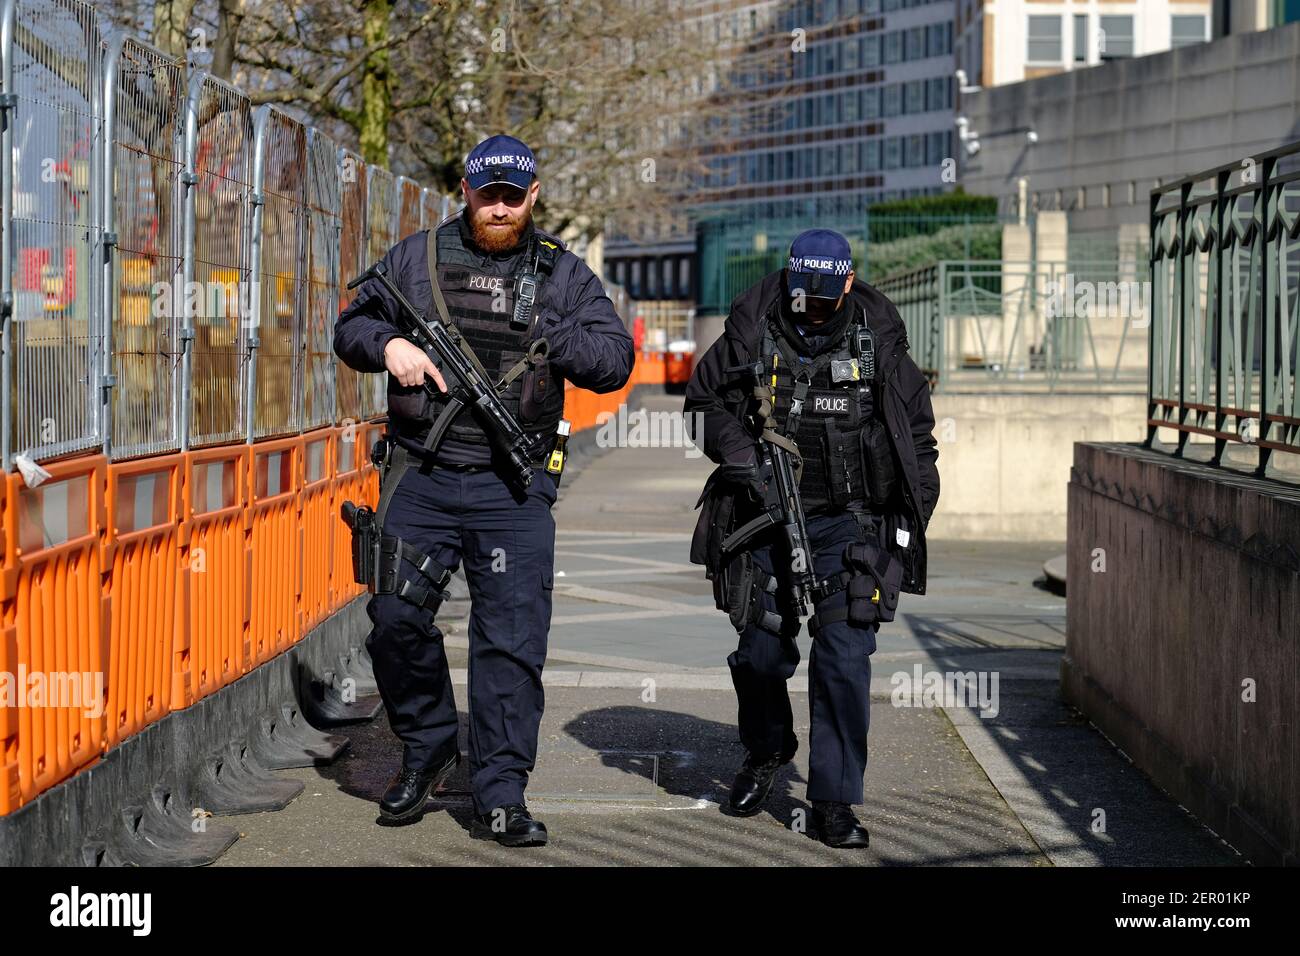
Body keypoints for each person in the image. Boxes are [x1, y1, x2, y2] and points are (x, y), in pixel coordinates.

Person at [334, 134, 634, 845]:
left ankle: (500, 793)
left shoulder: (562, 275)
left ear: (533, 195)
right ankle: (430, 744)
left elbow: (615, 359)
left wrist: (558, 341)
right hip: (423, 475)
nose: (498, 207)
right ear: (464, 190)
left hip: (514, 484)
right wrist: (389, 346)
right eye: (485, 193)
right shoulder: (419, 257)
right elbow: (351, 324)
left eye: (512, 195)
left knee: (511, 643)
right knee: (395, 620)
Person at [685, 228, 939, 848]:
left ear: (849, 283)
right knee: (762, 652)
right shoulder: (753, 328)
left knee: (845, 659)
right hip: (763, 512)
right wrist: (744, 456)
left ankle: (834, 798)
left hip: (851, 521)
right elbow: (700, 405)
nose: (813, 306)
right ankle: (767, 750)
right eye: (805, 293)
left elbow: (920, 443)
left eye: (827, 296)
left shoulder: (879, 341)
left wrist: (906, 530)